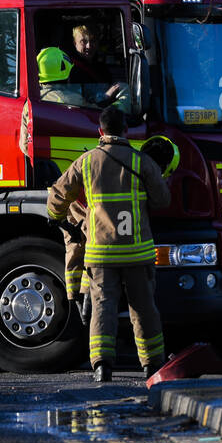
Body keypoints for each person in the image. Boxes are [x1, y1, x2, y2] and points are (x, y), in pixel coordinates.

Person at [46, 105, 170, 382]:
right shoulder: (141, 162)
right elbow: (163, 201)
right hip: (138, 252)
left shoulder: (86, 162)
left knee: (102, 307)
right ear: (126, 130)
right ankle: (151, 366)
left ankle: (102, 366)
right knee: (144, 308)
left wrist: (57, 219)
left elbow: (58, 195)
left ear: (100, 131)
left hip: (101, 254)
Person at [66, 24, 130, 111]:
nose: (89, 46)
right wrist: (105, 96)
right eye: (83, 41)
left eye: (93, 41)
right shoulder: (69, 70)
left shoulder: (101, 67)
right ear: (75, 43)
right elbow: (76, 105)